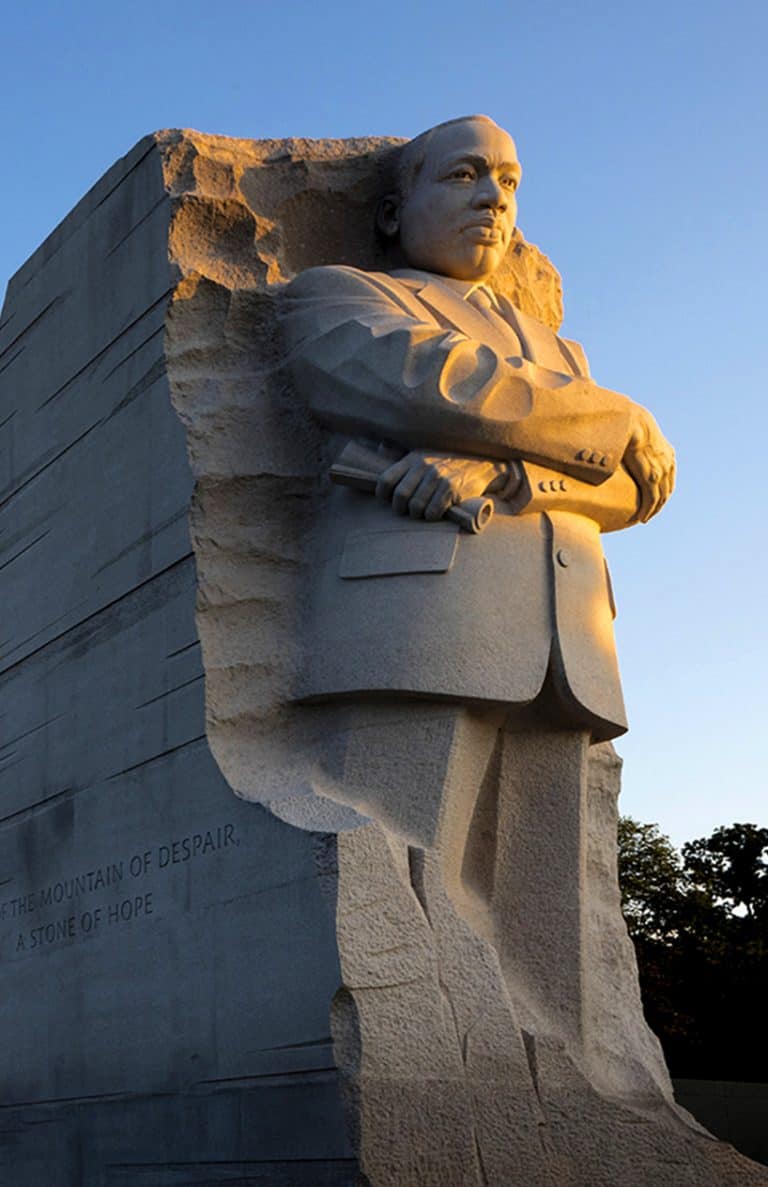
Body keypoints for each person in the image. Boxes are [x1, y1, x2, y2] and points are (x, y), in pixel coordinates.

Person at [279, 116, 676, 1048]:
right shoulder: (341, 296)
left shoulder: (558, 354)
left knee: (554, 944)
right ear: (393, 208)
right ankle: (422, 1080)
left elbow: (631, 487)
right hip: (417, 622)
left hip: (564, 646)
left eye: (508, 180)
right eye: (464, 174)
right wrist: (616, 415)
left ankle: (566, 1098)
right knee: (398, 897)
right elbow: (426, 382)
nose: (494, 197)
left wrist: (505, 474)